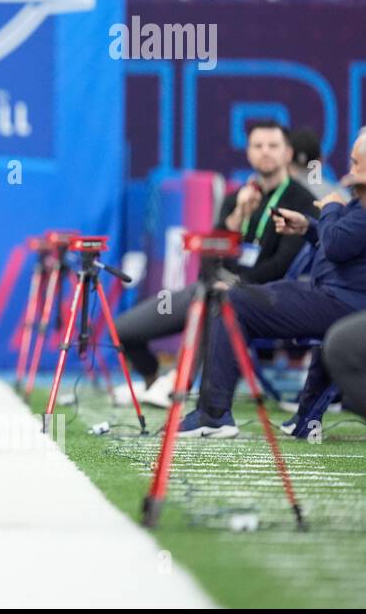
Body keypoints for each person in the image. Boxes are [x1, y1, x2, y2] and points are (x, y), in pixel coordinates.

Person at [113, 121, 317, 406]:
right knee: (123, 330)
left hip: (262, 296)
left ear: (287, 153)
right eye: (258, 146)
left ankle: (179, 384)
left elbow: (283, 264)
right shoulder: (237, 197)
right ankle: (154, 382)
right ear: (248, 153)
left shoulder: (302, 200)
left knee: (217, 301)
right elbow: (207, 262)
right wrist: (236, 218)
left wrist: (233, 285)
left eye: (273, 146)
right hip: (209, 288)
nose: (266, 152)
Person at [179, 129, 366, 437]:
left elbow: (336, 245)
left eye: (356, 164)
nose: (351, 170)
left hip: (342, 302)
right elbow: (346, 240)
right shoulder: (358, 203)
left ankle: (212, 414)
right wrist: (308, 227)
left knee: (231, 303)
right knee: (228, 297)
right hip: (335, 296)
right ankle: (307, 420)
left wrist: (332, 207)